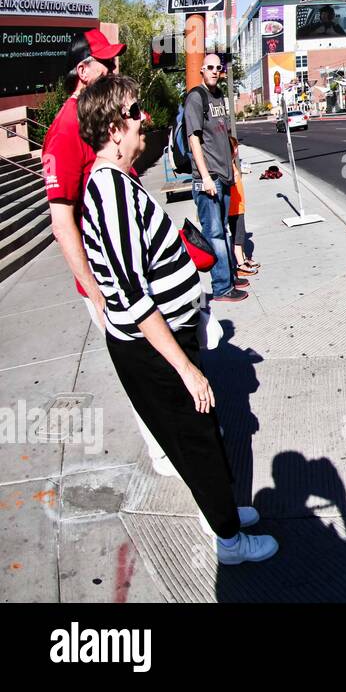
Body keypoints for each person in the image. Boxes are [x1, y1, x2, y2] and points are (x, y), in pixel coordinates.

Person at [77, 75, 277, 564]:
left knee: (205, 434)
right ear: (114, 127)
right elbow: (130, 294)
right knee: (196, 440)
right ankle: (229, 541)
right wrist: (186, 369)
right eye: (136, 110)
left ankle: (225, 509)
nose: (145, 118)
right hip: (154, 350)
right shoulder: (110, 191)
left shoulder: (118, 182)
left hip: (166, 338)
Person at [41, 31, 177, 476]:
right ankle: (163, 452)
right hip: (109, 279)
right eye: (107, 63)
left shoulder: (101, 117)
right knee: (141, 365)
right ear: (82, 71)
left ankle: (173, 438)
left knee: (159, 356)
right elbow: (63, 226)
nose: (116, 69)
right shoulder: (64, 130)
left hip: (136, 263)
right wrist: (97, 294)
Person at [186, 54, 246, 303]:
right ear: (201, 70)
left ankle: (229, 276)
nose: (214, 71)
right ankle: (222, 287)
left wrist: (233, 166)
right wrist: (205, 177)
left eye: (218, 68)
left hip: (224, 174)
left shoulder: (219, 96)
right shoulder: (196, 97)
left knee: (224, 230)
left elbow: (225, 137)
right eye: (209, 67)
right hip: (209, 177)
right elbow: (193, 139)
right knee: (215, 233)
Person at [228, 135, 258, 277]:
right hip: (234, 207)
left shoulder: (232, 163)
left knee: (239, 234)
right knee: (238, 237)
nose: (237, 150)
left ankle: (244, 259)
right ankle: (240, 264)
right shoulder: (228, 165)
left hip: (238, 206)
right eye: (235, 148)